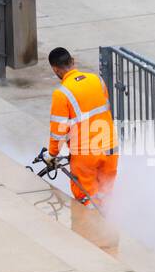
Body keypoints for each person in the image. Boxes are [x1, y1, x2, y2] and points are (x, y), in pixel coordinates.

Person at [46, 47, 119, 253]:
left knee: (87, 197)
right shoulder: (97, 80)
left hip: (85, 153)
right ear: (73, 60)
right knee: (107, 193)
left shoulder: (62, 94)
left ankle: (92, 244)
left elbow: (58, 130)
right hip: (110, 146)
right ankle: (112, 238)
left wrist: (52, 155)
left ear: (55, 69)